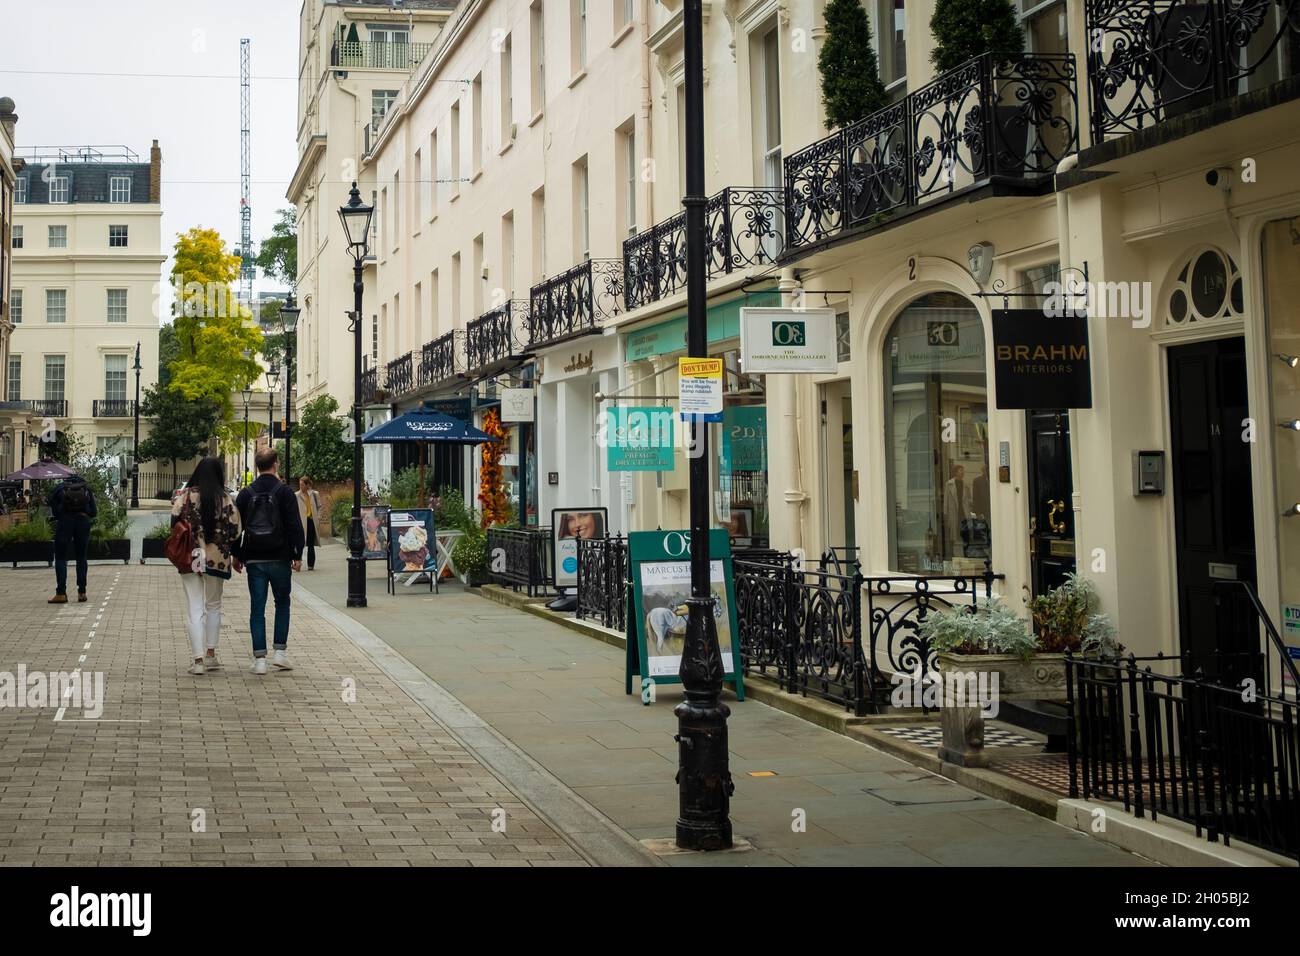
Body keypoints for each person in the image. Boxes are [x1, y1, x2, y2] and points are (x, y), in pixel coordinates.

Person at [233, 447, 304, 675]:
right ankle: (280, 653)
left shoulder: (245, 494)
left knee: (257, 607)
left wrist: (237, 554)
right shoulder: (284, 492)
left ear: (257, 466)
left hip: (254, 557)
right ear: (276, 465)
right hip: (280, 555)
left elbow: (237, 527)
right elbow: (295, 525)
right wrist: (297, 554)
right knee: (282, 603)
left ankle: (260, 659)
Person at [171, 458, 242, 675]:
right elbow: (237, 530)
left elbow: (174, 526)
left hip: (192, 556)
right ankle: (211, 654)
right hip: (217, 558)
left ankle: (198, 660)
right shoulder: (225, 499)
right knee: (213, 605)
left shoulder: (184, 497)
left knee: (194, 607)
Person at [47, 470, 98, 604]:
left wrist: (63, 514)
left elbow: (53, 507)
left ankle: (61, 593)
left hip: (65, 523)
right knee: (81, 557)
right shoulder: (86, 489)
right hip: (83, 522)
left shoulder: (60, 489)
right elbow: (94, 512)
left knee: (61, 557)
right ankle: (82, 592)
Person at [296, 477, 323, 570]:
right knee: (299, 543)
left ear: (307, 485)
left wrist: (318, 517)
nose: (300, 486)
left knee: (311, 544)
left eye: (302, 485)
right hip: (301, 522)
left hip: (311, 521)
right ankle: (297, 563)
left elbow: (320, 507)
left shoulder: (315, 494)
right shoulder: (296, 495)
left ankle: (311, 565)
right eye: (300, 485)